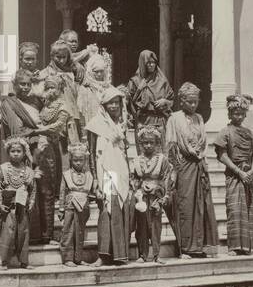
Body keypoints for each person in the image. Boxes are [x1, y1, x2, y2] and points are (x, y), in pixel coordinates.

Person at [165, 81, 218, 257]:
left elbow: (204, 141)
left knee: (201, 206)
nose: (194, 105)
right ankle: (186, 247)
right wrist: (173, 170)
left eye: (196, 101)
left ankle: (199, 246)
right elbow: (171, 146)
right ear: (182, 101)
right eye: (190, 101)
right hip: (183, 166)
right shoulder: (174, 118)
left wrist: (200, 155)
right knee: (185, 206)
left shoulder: (199, 118)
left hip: (198, 165)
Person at [86, 86, 133, 265]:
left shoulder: (121, 126)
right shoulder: (95, 125)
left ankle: (120, 255)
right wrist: (95, 179)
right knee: (107, 211)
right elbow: (91, 153)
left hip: (121, 171)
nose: (113, 106)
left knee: (121, 210)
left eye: (116, 103)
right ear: (104, 105)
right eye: (110, 103)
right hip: (105, 172)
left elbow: (125, 152)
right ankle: (103, 256)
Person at [0, 69, 48, 243]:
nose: (26, 87)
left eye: (28, 84)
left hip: (36, 150)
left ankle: (34, 234)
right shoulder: (9, 103)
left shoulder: (36, 101)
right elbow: (16, 130)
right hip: (18, 152)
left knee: (34, 190)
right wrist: (36, 131)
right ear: (15, 85)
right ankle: (12, 236)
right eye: (22, 84)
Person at [32, 74, 77, 244]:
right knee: (41, 189)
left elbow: (57, 127)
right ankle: (40, 231)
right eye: (48, 87)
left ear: (60, 89)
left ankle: (49, 233)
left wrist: (38, 130)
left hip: (55, 150)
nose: (50, 90)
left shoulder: (63, 106)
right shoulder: (45, 104)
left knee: (49, 191)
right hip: (41, 149)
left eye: (53, 88)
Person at [214, 93, 253, 255]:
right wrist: (239, 172)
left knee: (248, 208)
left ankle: (246, 246)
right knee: (234, 210)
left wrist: (252, 170)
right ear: (229, 114)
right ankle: (234, 246)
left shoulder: (249, 133)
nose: (238, 116)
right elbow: (222, 155)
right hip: (234, 175)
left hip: (248, 176)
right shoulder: (225, 132)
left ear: (245, 114)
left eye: (241, 114)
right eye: (235, 113)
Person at [0, 137, 38, 269]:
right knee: (7, 234)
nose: (15, 154)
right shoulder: (4, 168)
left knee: (23, 233)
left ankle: (24, 261)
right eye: (12, 151)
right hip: (8, 206)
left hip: (23, 206)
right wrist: (0, 203)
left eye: (19, 151)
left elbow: (33, 189)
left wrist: (31, 203)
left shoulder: (29, 171)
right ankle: (4, 261)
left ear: (24, 153)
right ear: (8, 153)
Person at [130, 126, 170, 262]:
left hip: (155, 196)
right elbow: (134, 178)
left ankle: (157, 254)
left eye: (151, 142)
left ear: (157, 143)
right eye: (145, 142)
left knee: (155, 225)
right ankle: (142, 254)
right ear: (141, 144)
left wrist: (162, 193)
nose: (148, 145)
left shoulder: (162, 159)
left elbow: (166, 178)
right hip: (141, 197)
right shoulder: (137, 160)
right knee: (141, 225)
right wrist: (137, 189)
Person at [58, 143, 96, 266]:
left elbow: (91, 193)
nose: (78, 163)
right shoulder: (67, 174)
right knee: (68, 232)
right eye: (75, 160)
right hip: (70, 206)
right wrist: (61, 208)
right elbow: (62, 191)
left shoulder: (88, 175)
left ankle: (78, 258)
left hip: (83, 207)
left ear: (85, 160)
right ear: (71, 160)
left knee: (80, 232)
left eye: (81, 160)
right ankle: (68, 258)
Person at [39, 39, 84, 135]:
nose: (61, 60)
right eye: (58, 57)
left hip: (72, 112)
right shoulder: (45, 73)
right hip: (55, 114)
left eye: (64, 57)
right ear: (52, 56)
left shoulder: (72, 72)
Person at [125, 49, 174, 138]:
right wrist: (139, 90)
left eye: (153, 62)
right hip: (143, 121)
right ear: (142, 63)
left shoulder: (162, 80)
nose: (151, 65)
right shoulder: (135, 81)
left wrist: (165, 101)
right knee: (145, 145)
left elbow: (171, 100)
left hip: (160, 121)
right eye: (148, 63)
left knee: (160, 146)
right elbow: (128, 103)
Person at [77, 52, 111, 129]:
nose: (99, 74)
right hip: (91, 125)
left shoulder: (108, 87)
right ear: (90, 71)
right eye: (96, 71)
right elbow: (81, 112)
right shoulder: (85, 88)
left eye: (101, 71)